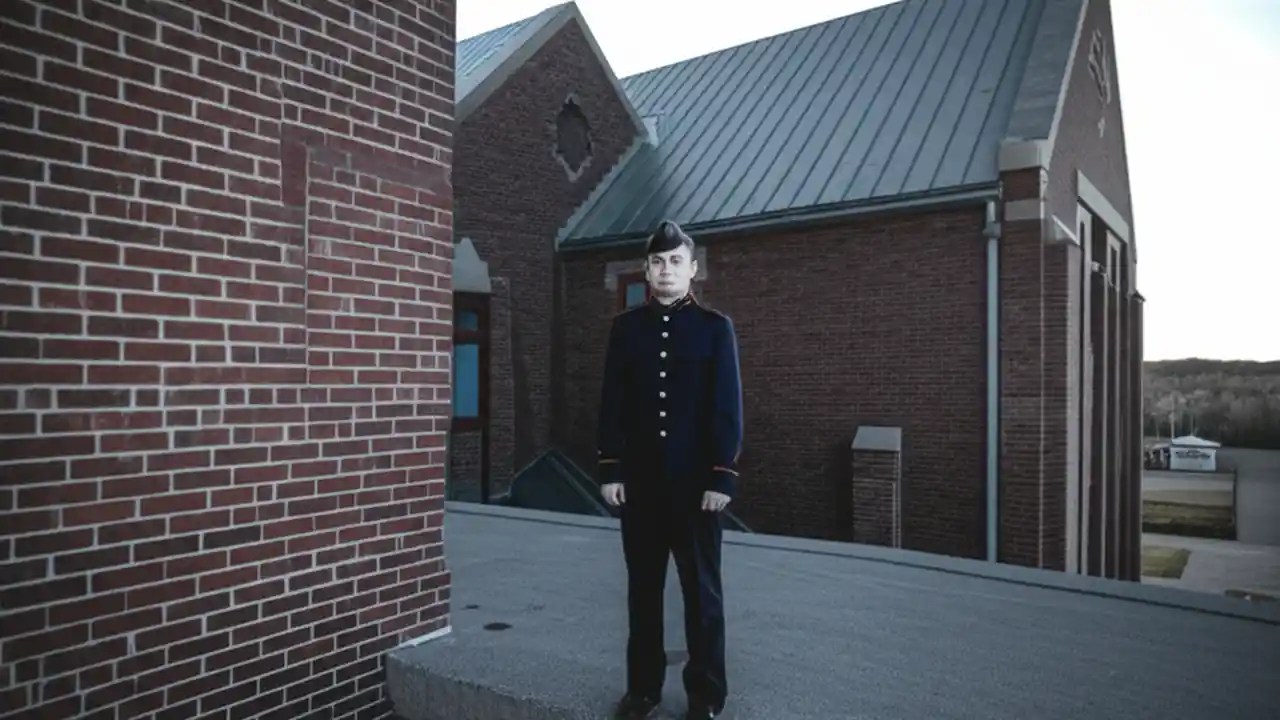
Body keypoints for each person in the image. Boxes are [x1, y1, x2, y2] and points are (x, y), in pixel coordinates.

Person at [597, 219, 744, 720]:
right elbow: (612, 405)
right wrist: (611, 470)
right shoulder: (626, 329)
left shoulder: (714, 329)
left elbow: (727, 409)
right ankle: (643, 690)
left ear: (692, 270)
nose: (665, 270)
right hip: (640, 488)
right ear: (646, 269)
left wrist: (722, 476)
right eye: (657, 262)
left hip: (695, 489)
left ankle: (705, 693)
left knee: (701, 594)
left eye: (675, 261)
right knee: (643, 593)